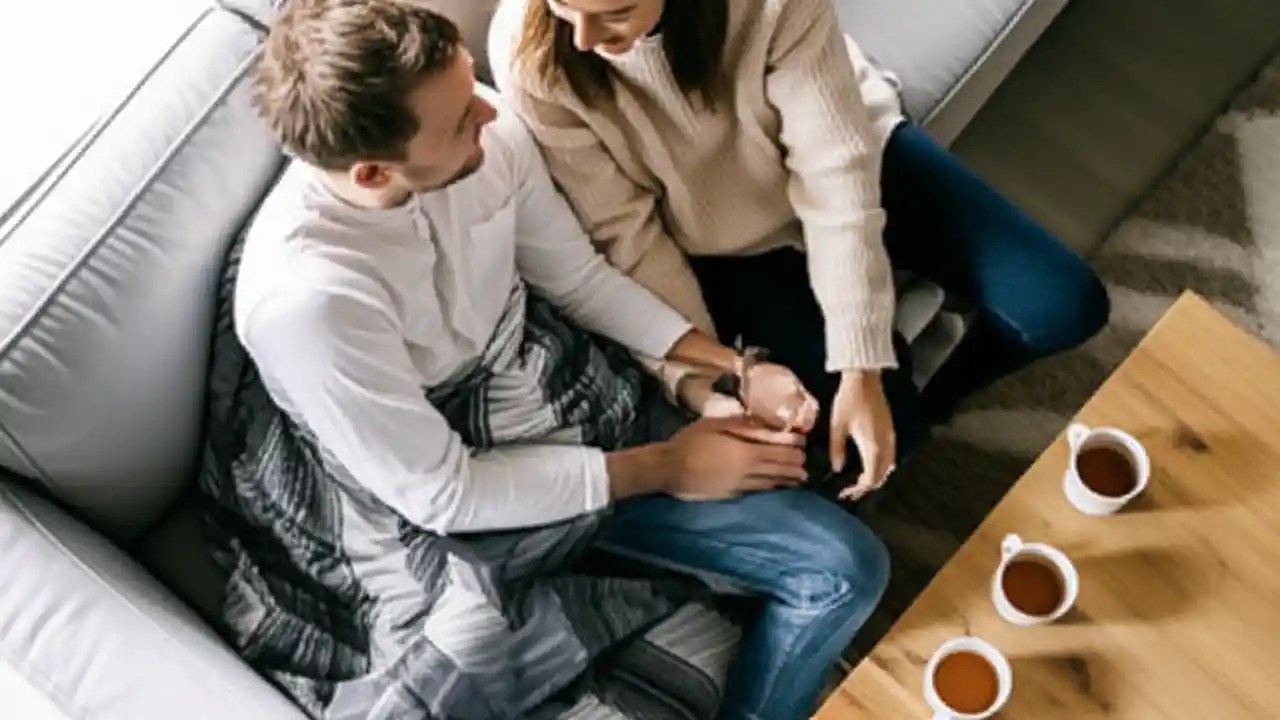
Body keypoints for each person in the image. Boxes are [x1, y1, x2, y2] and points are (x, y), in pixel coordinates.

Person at [237, 1, 888, 717]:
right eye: (459, 121)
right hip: (439, 484)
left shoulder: (486, 128)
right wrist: (666, 467)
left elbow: (578, 279)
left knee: (838, 545)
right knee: (838, 570)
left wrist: (731, 370)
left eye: (471, 89)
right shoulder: (309, 304)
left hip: (544, 384)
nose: (491, 112)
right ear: (370, 174)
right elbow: (444, 495)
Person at [489, 0, 1112, 505]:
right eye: (563, 6)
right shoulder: (533, 51)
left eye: (614, 12)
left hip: (852, 157)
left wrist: (860, 362)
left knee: (1065, 305)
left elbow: (835, 176)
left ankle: (934, 391)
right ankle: (910, 401)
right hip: (724, 242)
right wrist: (715, 385)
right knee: (868, 445)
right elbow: (628, 237)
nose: (582, 38)